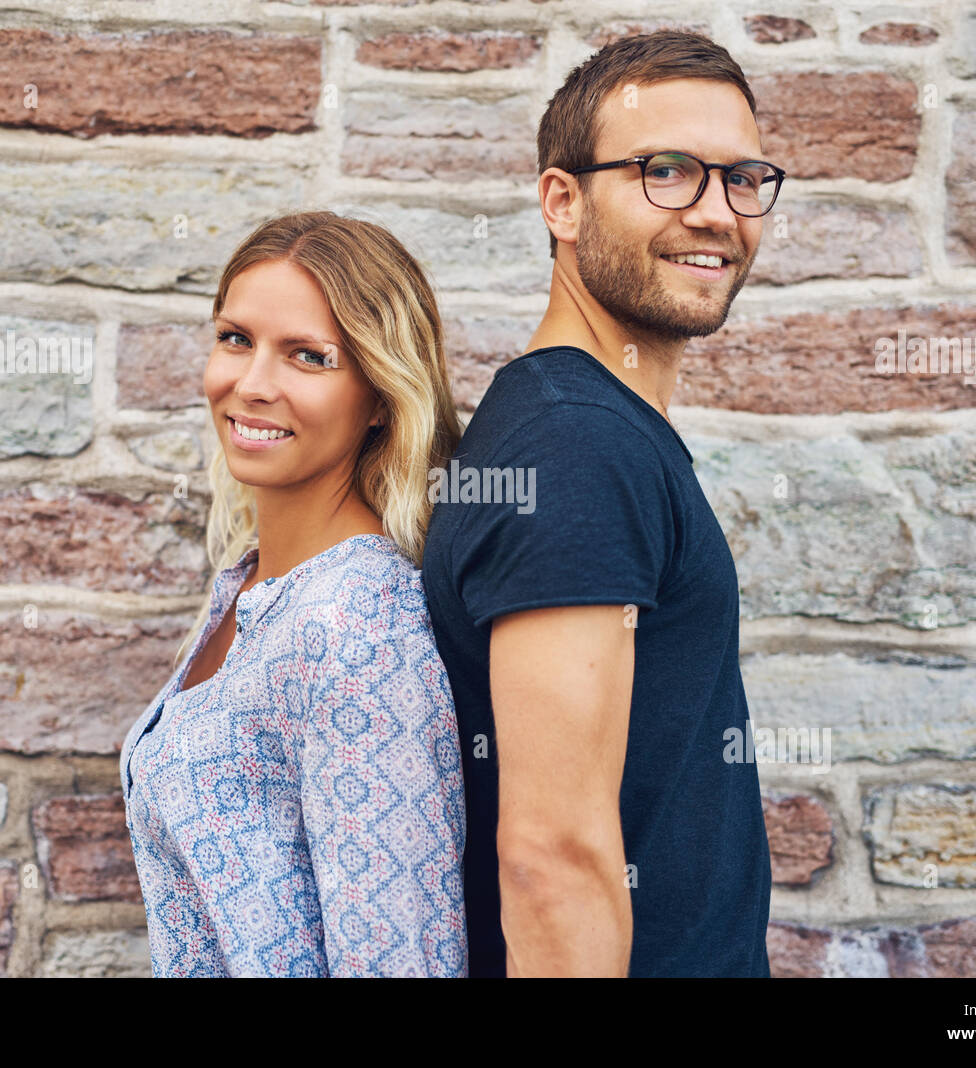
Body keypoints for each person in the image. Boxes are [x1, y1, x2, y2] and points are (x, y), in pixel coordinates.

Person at [420, 30, 781, 977]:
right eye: (667, 172)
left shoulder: (581, 426)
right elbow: (554, 861)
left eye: (742, 179)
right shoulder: (579, 448)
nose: (716, 212)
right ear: (562, 201)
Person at [120, 211, 468, 977]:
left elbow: (397, 960)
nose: (251, 384)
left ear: (380, 394)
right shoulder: (247, 583)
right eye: (236, 338)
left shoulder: (360, 626)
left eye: (308, 357)